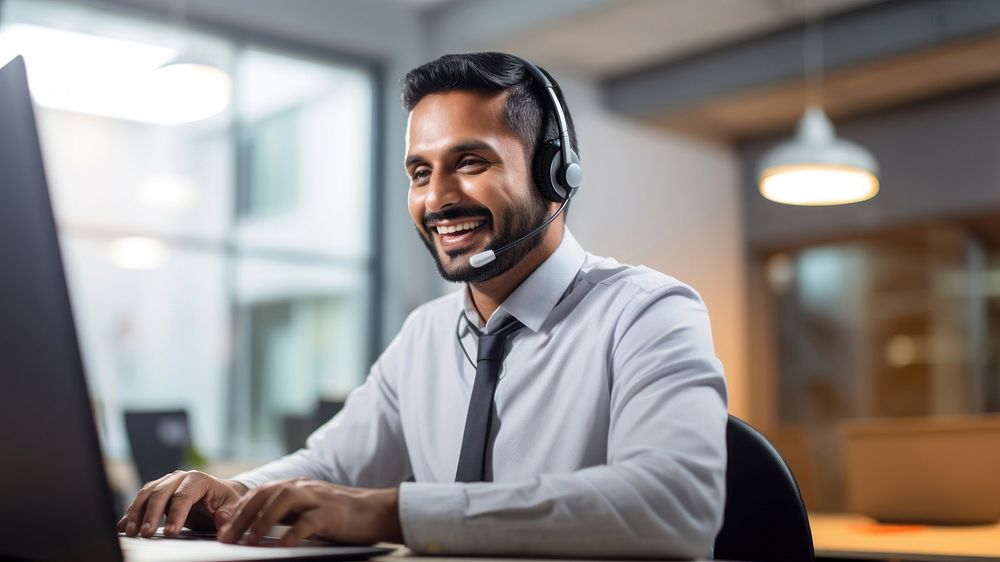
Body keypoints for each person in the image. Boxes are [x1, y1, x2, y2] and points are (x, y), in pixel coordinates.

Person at [117, 52, 728, 559]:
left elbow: (676, 504)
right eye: (418, 172)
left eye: (470, 162)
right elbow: (333, 465)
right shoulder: (427, 333)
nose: (437, 198)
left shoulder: (649, 312)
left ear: (554, 173)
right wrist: (232, 491)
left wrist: (394, 511)